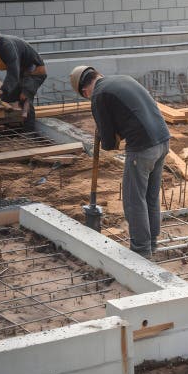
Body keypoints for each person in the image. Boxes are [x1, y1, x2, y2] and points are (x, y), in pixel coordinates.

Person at [69, 65, 170, 258]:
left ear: (85, 91)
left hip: (142, 148)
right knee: (150, 195)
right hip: (163, 140)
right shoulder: (123, 79)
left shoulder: (98, 95)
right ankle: (152, 242)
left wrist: (105, 132)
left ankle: (141, 250)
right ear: (97, 74)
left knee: (134, 200)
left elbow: (108, 143)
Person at [0, 32, 46, 131]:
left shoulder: (6, 45)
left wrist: (3, 90)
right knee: (7, 97)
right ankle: (13, 124)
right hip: (22, 72)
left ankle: (29, 132)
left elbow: (13, 73)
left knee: (24, 97)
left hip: (35, 71)